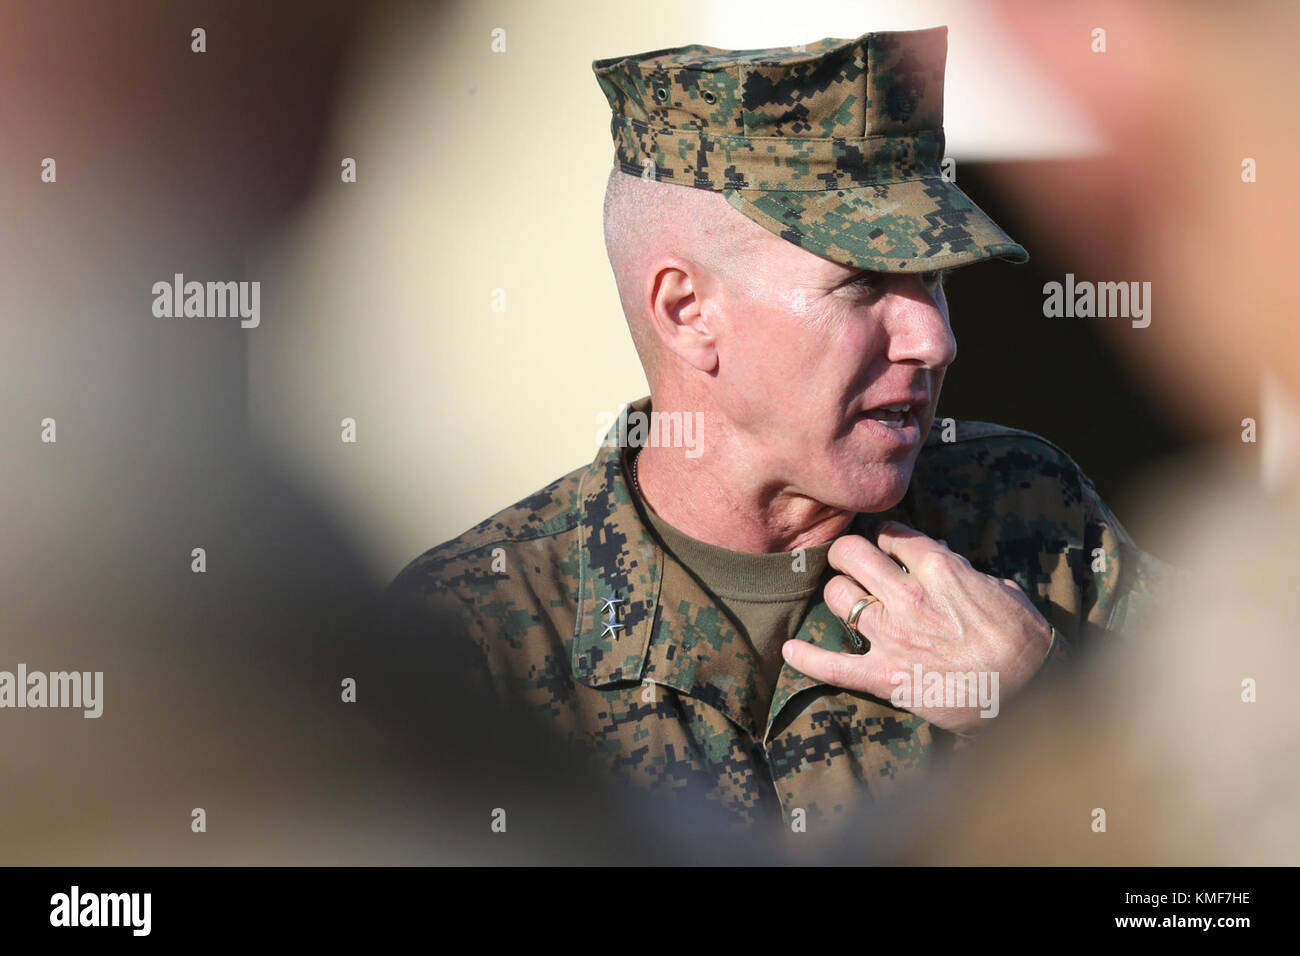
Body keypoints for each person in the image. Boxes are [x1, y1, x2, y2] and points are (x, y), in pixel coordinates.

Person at [390, 27, 1168, 829]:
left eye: (930, 280)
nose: (934, 339)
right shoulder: (481, 637)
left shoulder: (1032, 524)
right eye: (863, 284)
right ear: (687, 313)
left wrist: (1040, 702)